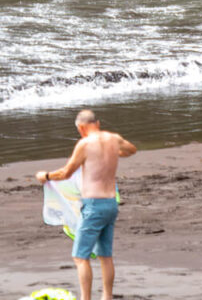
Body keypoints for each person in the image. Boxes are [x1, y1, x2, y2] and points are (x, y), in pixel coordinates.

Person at [35, 108, 136, 300]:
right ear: (97, 123)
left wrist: (45, 176)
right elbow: (131, 150)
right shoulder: (113, 138)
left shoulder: (85, 144)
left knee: (80, 257)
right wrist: (114, 153)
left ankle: (86, 298)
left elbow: (66, 173)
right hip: (111, 203)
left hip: (94, 205)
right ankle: (107, 297)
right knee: (105, 255)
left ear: (81, 128)